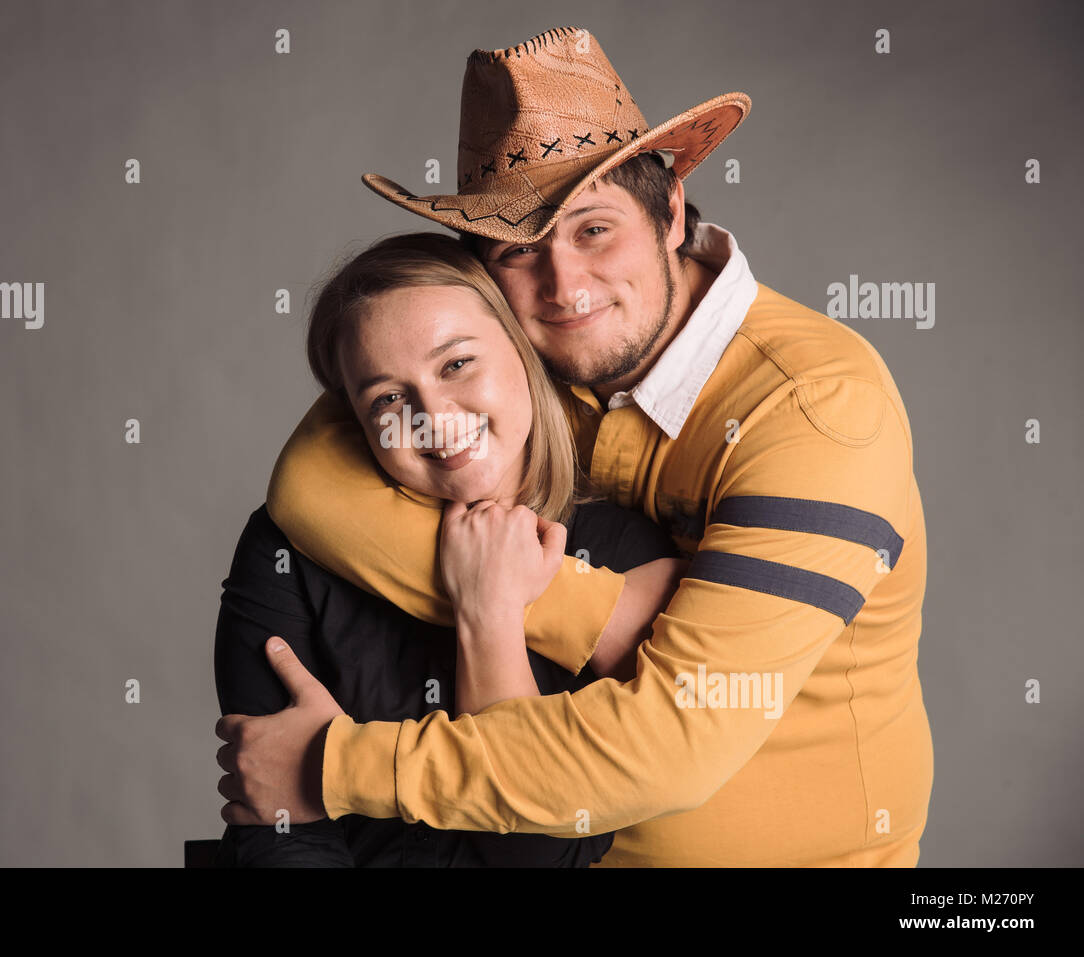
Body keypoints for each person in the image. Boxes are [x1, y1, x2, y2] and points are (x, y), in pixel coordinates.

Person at [216, 25, 934, 867]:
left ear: (670, 208)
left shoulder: (815, 409)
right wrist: (553, 598)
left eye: (592, 229)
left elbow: (666, 747)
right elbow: (310, 478)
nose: (564, 288)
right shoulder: (534, 367)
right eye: (520, 250)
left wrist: (329, 764)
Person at [213, 232, 686, 866]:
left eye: (457, 364)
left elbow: (544, 855)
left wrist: (489, 614)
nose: (432, 418)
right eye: (387, 398)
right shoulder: (287, 553)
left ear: (522, 351)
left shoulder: (629, 551)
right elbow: (276, 827)